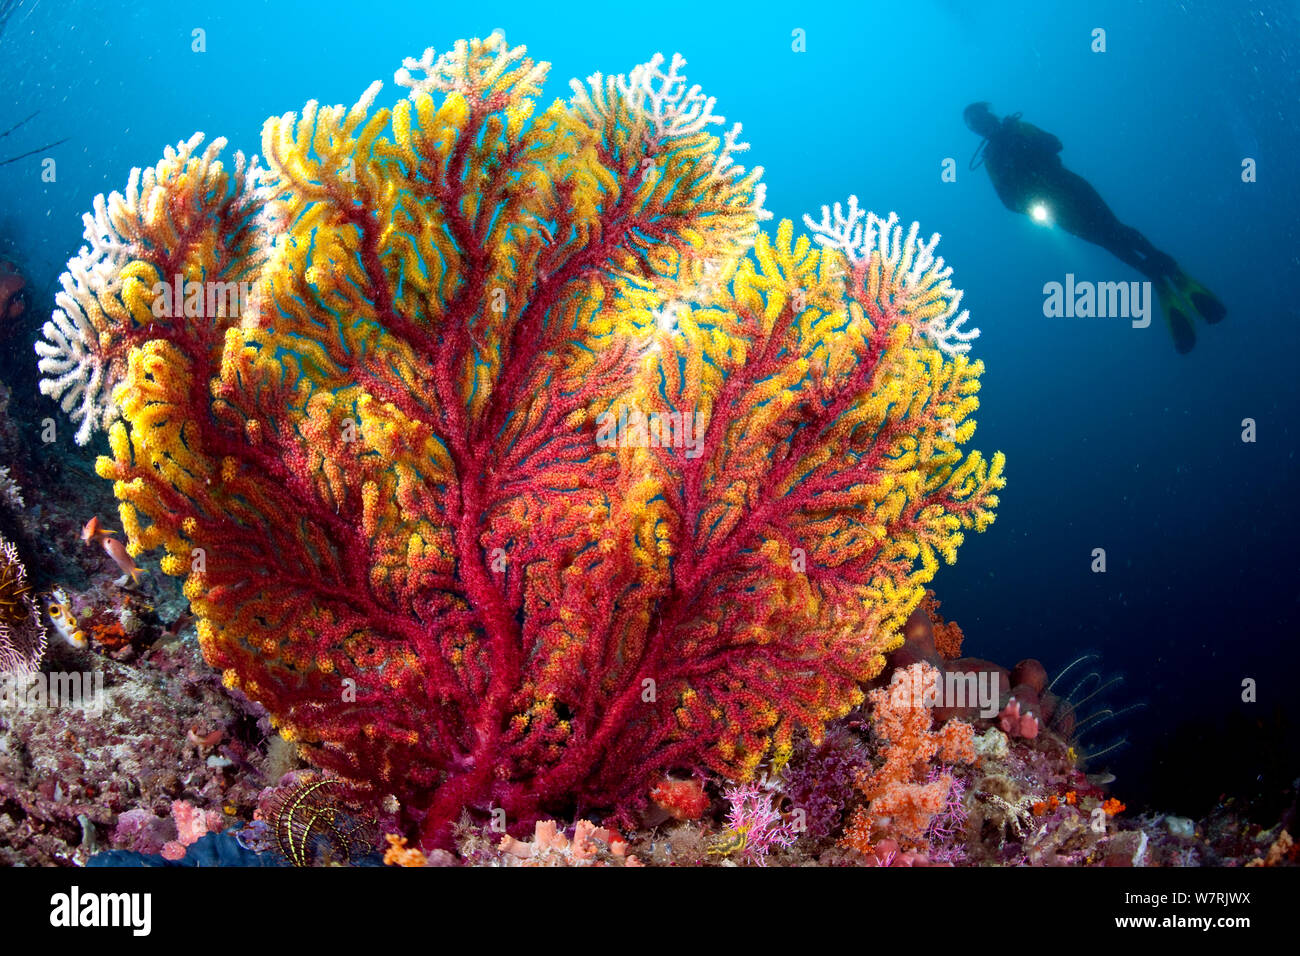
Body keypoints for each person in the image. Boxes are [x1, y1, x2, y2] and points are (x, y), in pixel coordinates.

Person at [964, 102, 1225, 353]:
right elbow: (1008, 201)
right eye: (974, 123)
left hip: (1071, 187)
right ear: (974, 130)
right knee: (1107, 241)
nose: (981, 124)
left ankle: (1167, 268)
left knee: (1115, 229)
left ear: (991, 115)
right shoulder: (991, 159)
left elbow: (1056, 143)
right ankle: (1156, 273)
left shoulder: (1020, 128)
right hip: (1055, 209)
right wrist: (1029, 202)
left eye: (981, 117)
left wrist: (1029, 148)